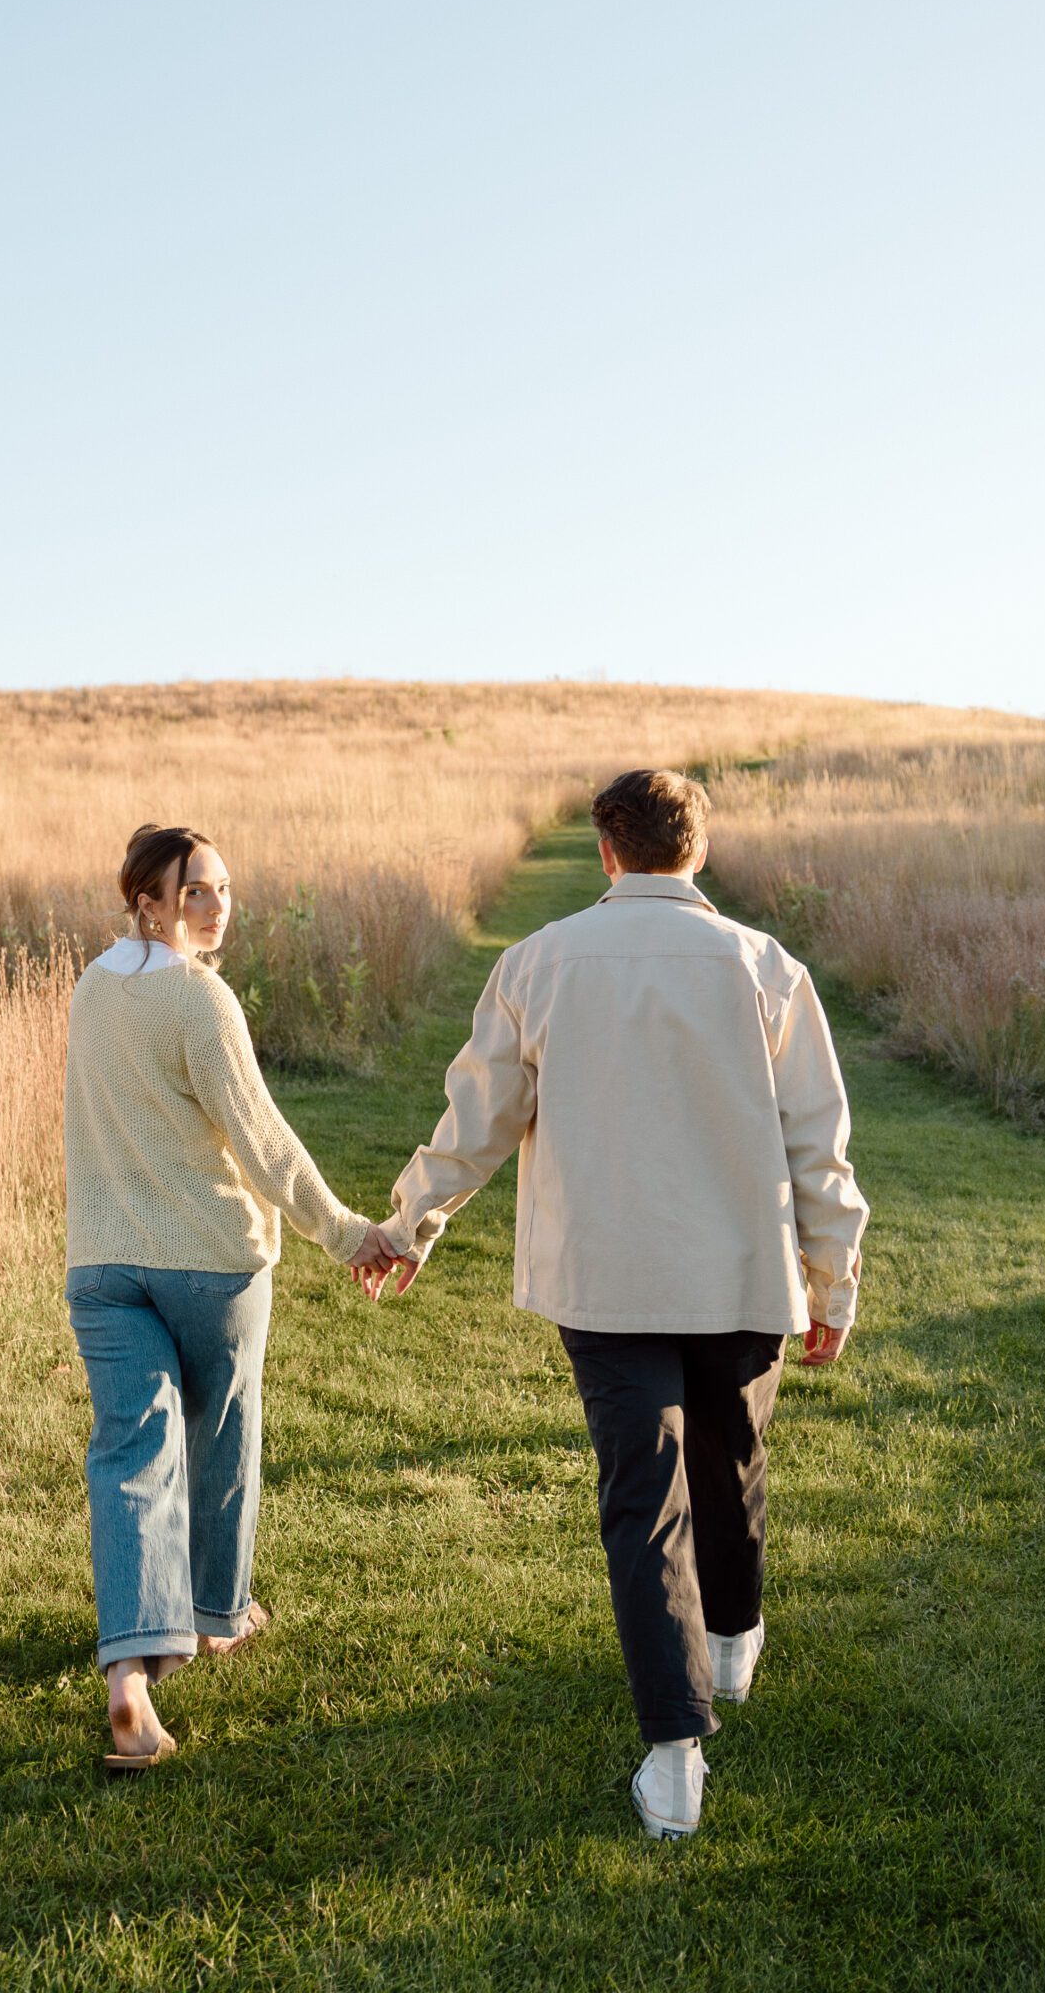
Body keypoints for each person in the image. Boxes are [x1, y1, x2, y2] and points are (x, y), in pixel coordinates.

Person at [355, 769, 868, 1841]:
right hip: (742, 1278)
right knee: (731, 1463)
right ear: (699, 849)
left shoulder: (537, 964)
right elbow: (819, 1142)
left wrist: (409, 1224)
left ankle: (674, 1755)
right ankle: (728, 1649)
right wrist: (835, 1280)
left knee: (646, 1496)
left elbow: (474, 1121)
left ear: (606, 851)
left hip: (607, 1278)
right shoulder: (767, 967)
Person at [63, 821, 399, 1773]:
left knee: (131, 1453)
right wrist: (345, 1232)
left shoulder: (92, 986)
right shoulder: (199, 1001)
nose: (217, 907)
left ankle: (130, 1677)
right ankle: (214, 1617)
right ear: (148, 903)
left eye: (221, 888)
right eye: (195, 891)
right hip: (209, 1263)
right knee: (222, 1434)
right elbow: (264, 1142)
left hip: (101, 1266)